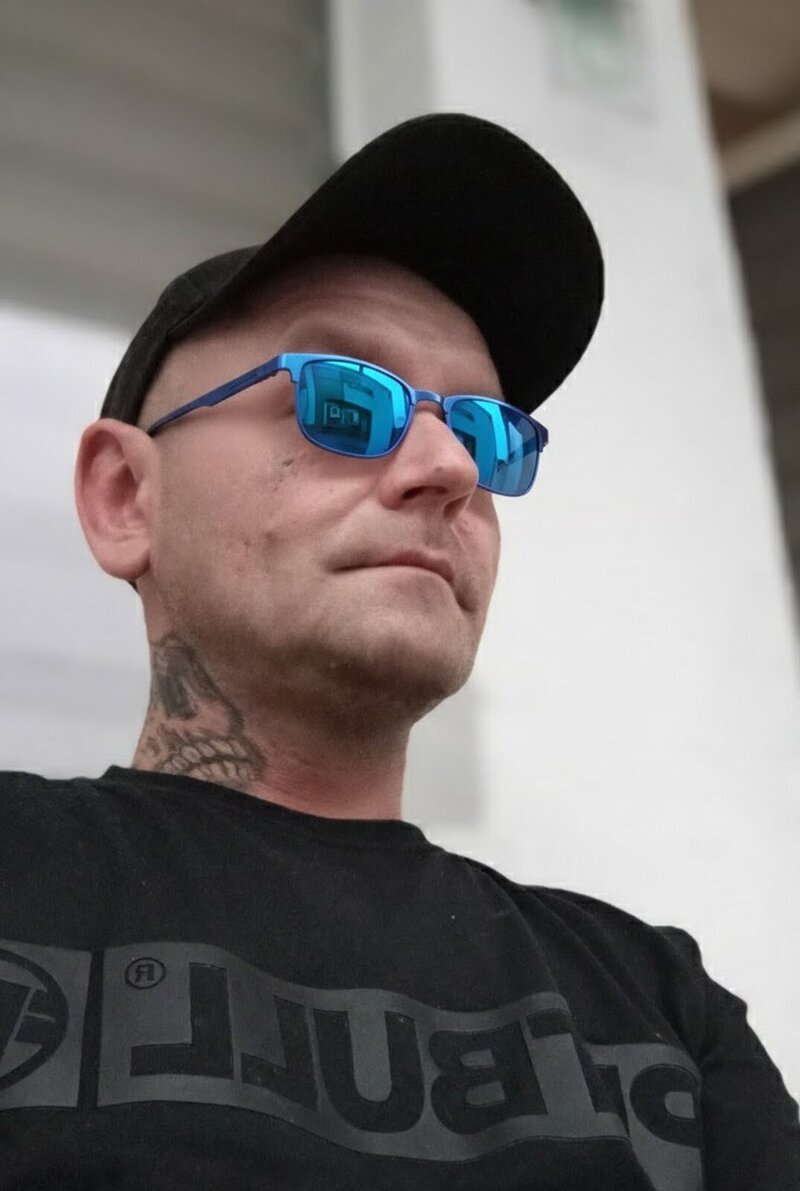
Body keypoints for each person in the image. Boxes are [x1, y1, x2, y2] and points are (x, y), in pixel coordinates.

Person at [1, 113, 797, 1190]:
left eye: (483, 430)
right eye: (343, 399)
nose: (446, 466)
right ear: (125, 496)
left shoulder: (660, 1011)